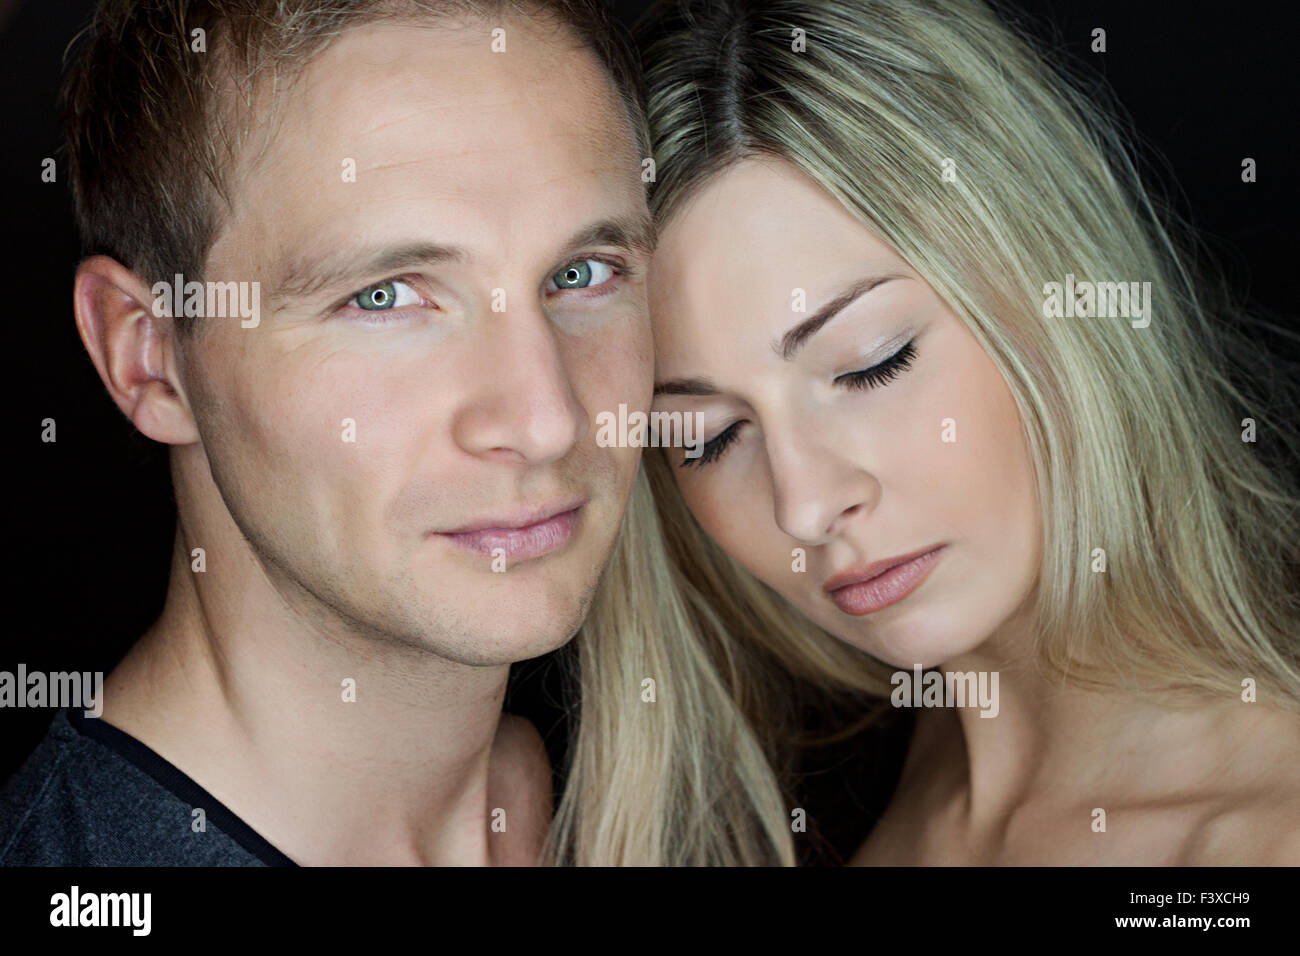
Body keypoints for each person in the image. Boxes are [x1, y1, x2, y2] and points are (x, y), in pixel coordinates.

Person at [0, 0, 792, 867]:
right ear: (148, 356)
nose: (546, 420)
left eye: (581, 273)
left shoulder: (662, 798)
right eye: (385, 296)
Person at [635, 0, 1300, 863]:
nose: (805, 506)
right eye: (709, 437)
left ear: (1061, 292)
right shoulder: (821, 797)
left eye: (873, 364)